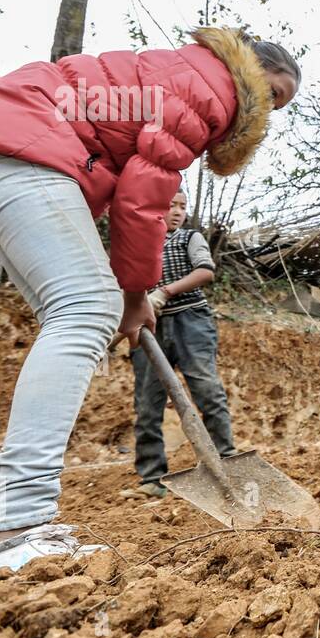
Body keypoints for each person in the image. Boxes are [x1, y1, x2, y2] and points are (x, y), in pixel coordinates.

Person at [0, 28, 300, 577]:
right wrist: (135, 294)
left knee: (75, 312)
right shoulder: (212, 87)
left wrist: (127, 293)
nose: (269, 110)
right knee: (86, 309)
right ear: (252, 71)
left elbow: (125, 189)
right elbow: (143, 200)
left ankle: (1, 525)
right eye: (275, 95)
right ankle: (11, 527)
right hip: (13, 148)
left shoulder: (179, 72)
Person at [121, 190, 236, 500]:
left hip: (191, 321)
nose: (177, 211)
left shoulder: (189, 239)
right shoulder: (139, 243)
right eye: (171, 204)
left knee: (208, 391)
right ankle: (151, 477)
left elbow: (205, 271)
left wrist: (164, 292)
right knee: (147, 403)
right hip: (149, 329)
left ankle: (226, 463)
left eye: (183, 206)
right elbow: (123, 279)